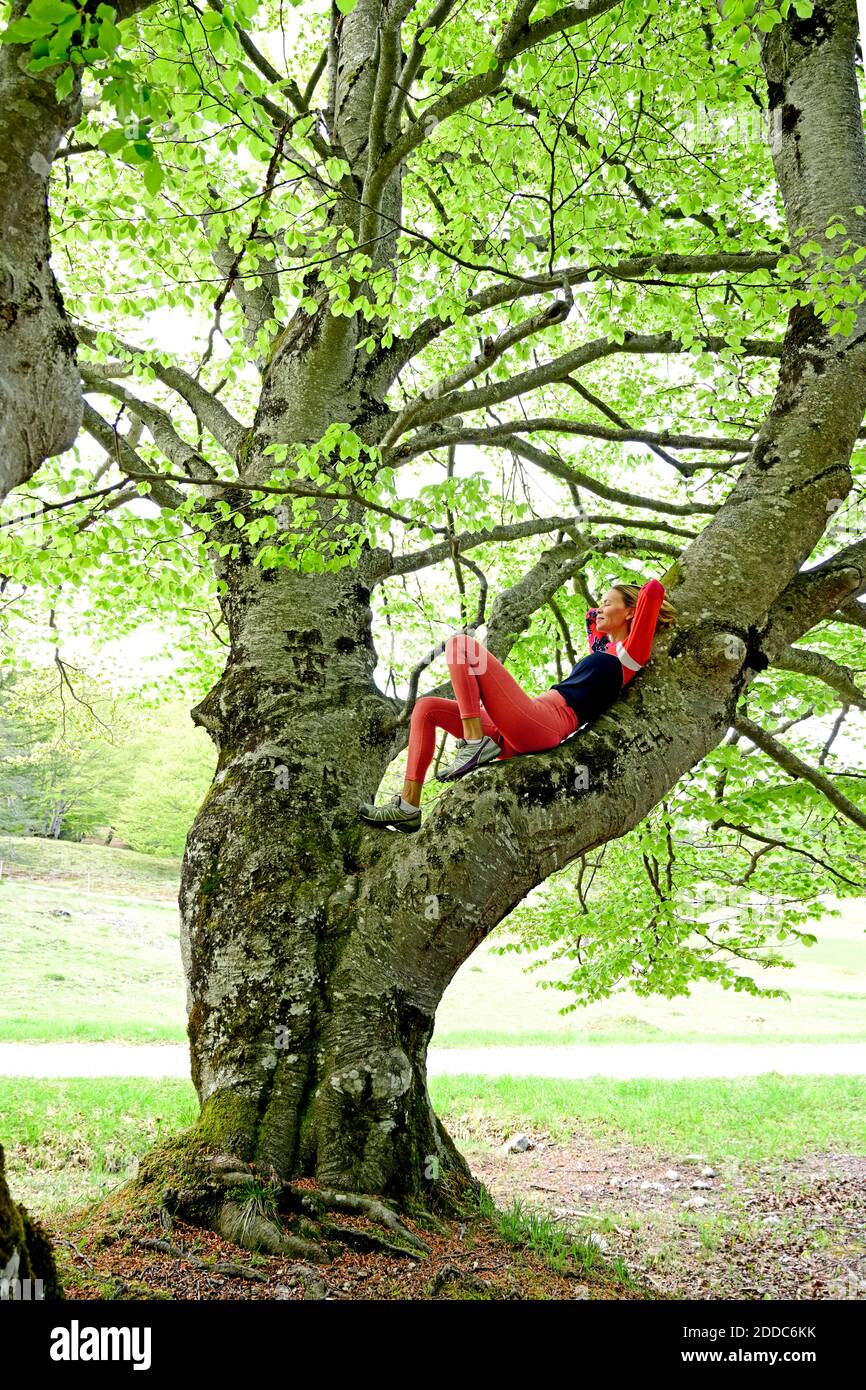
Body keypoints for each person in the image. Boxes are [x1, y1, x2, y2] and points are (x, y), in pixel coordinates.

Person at [358, 577, 676, 832]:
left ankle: (473, 742)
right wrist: (606, 610)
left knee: (460, 646)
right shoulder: (604, 649)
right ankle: (408, 807)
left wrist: (635, 600)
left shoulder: (632, 654)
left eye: (608, 602)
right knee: (425, 709)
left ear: (631, 611)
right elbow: (591, 620)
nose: (599, 607)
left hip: (544, 723)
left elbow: (653, 590)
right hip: (521, 724)